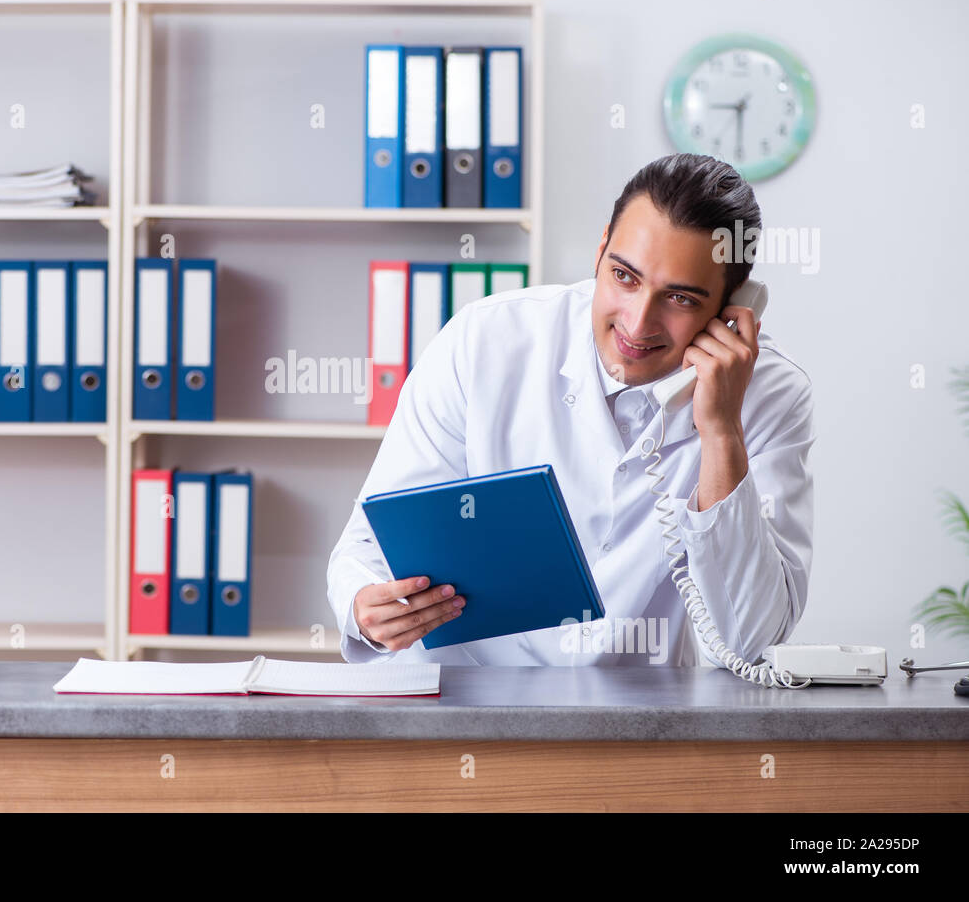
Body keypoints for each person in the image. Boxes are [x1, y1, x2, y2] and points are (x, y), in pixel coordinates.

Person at [326, 153, 814, 668]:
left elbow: (751, 639)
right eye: (625, 277)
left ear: (732, 307)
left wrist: (721, 432)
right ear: (601, 249)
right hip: (457, 704)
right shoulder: (485, 339)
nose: (637, 322)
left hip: (636, 729)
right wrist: (366, 609)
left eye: (680, 299)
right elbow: (367, 544)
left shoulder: (772, 394)